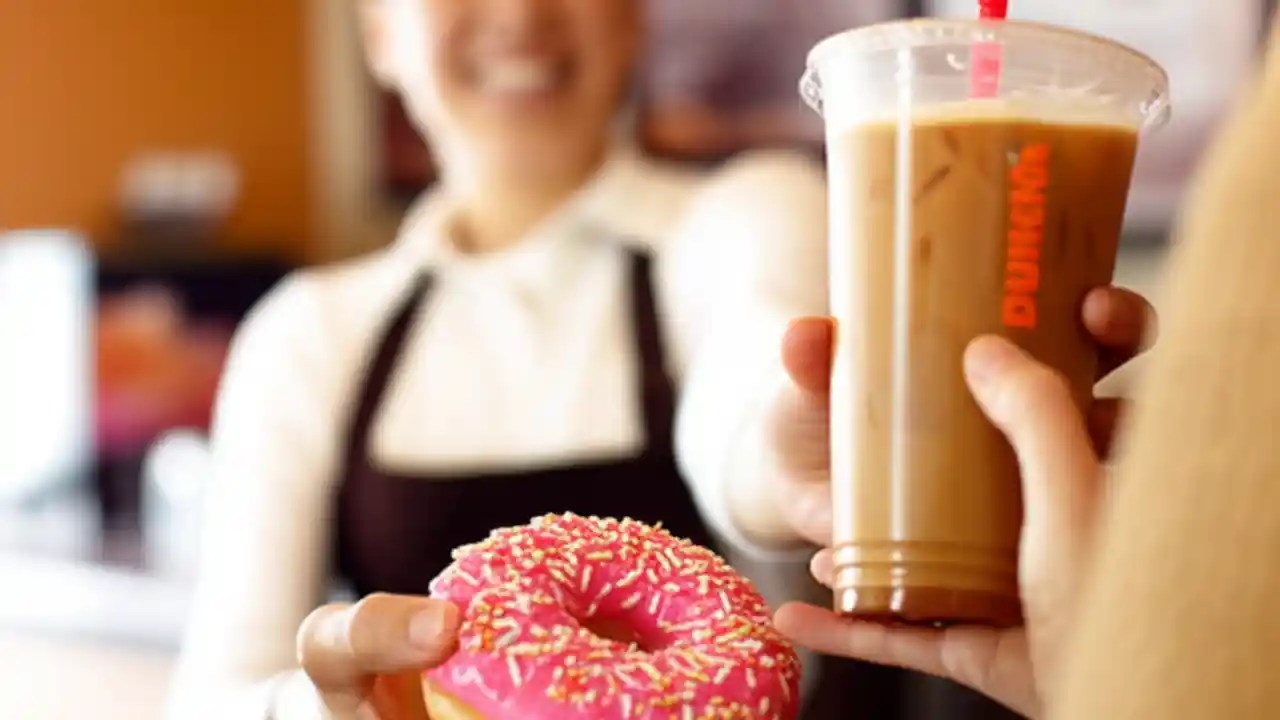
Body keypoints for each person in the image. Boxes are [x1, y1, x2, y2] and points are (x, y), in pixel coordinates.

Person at [166, 2, 1154, 719]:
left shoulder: (744, 213)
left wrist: (792, 465)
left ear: (634, 17)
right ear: (376, 31)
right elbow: (214, 695)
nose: (519, 14)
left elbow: (742, 399)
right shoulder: (308, 334)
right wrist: (342, 704)